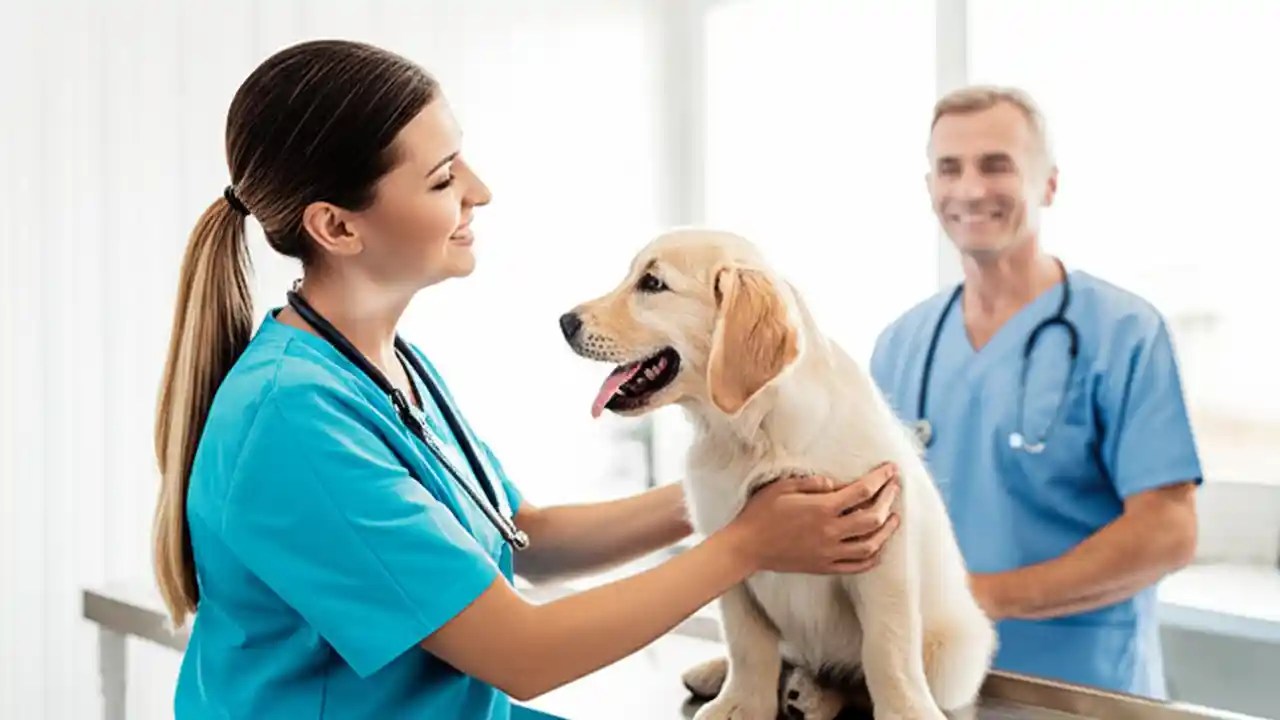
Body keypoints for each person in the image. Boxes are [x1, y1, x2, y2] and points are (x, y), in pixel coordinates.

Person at [151, 39, 902, 720]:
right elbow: (523, 654)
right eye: (444, 177)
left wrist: (734, 488)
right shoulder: (292, 421)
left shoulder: (383, 365)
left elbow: (526, 537)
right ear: (338, 227)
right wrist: (746, 544)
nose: (479, 191)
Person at [869, 85, 1202, 699]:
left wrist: (983, 599)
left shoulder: (1124, 333)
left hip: (1085, 691)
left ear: (1048, 184)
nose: (970, 189)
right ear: (929, 188)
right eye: (950, 168)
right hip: (931, 687)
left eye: (996, 165)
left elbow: (1167, 531)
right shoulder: (901, 343)